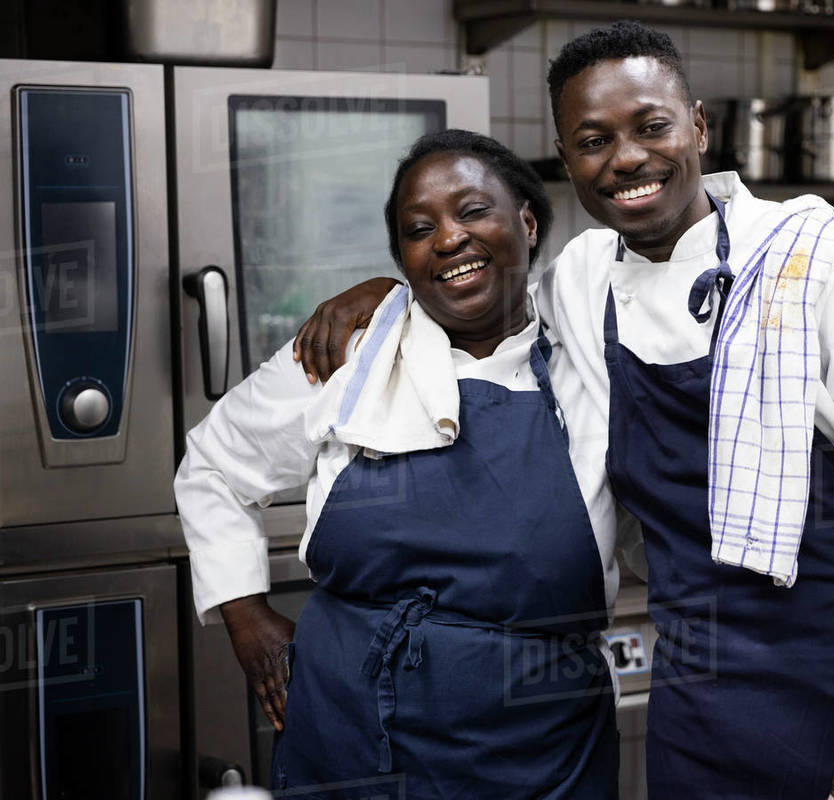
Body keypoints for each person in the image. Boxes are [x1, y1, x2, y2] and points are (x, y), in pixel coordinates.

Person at [293, 22, 834, 800]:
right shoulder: (584, 281)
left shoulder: (830, 274)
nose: (625, 158)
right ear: (567, 162)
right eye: (594, 140)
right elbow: (475, 288)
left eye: (651, 126)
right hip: (696, 701)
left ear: (697, 126)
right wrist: (387, 298)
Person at [175, 130, 629, 800]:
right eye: (420, 229)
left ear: (527, 222)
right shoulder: (352, 353)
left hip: (537, 756)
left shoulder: (591, 358)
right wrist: (247, 618)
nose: (448, 239)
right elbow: (214, 465)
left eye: (473, 211)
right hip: (347, 742)